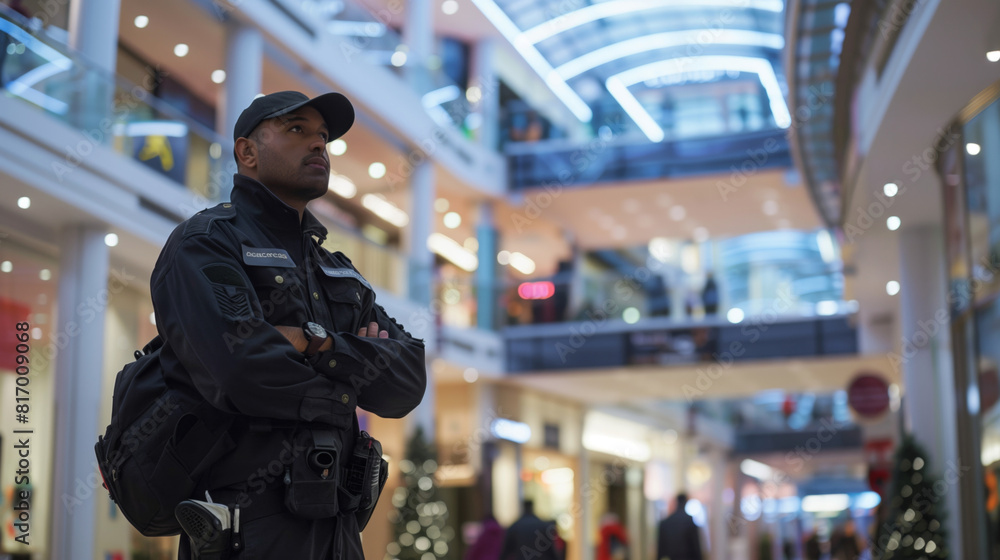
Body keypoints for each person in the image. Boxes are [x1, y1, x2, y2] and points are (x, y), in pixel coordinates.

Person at [151, 90, 426, 558]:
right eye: (297, 129)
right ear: (247, 152)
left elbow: (407, 382)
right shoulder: (206, 245)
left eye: (323, 136)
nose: (318, 145)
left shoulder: (336, 269)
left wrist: (313, 344)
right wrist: (353, 382)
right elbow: (242, 372)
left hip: (340, 530)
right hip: (246, 530)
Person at [499, 500, 565, 560]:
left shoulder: (514, 526)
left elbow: (505, 552)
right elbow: (551, 551)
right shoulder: (542, 525)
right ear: (532, 507)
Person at [656, 493, 703, 560]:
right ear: (686, 502)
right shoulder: (689, 520)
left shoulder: (665, 523)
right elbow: (696, 548)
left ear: (676, 502)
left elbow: (660, 550)